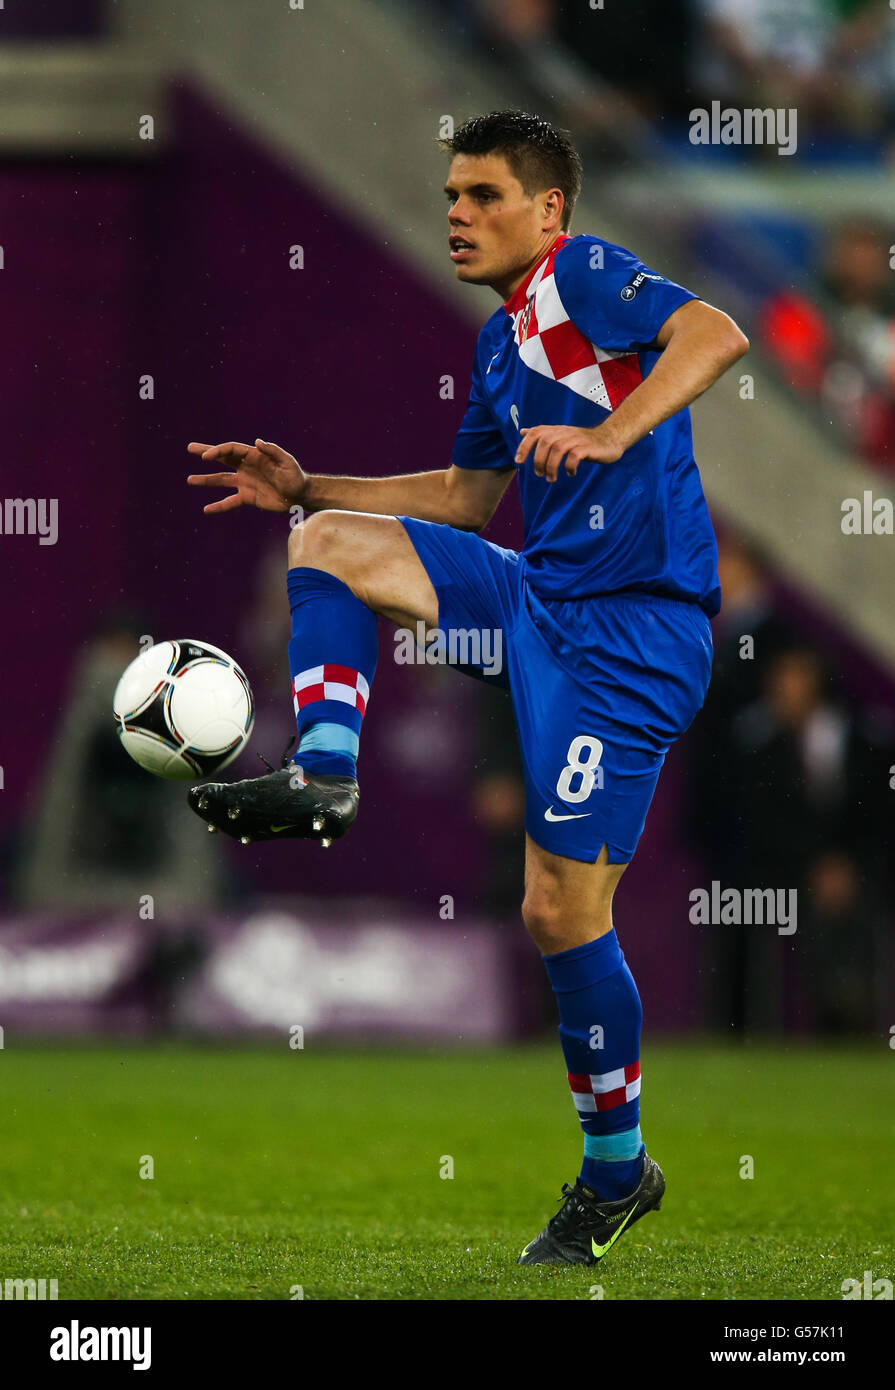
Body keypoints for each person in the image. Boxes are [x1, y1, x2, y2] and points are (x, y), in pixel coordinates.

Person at [185, 110, 748, 1267]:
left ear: (547, 211)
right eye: (449, 194)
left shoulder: (584, 274)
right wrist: (305, 482)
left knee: (557, 912)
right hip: (541, 597)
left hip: (638, 629)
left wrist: (610, 435)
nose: (456, 212)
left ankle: (613, 1172)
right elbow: (460, 500)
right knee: (330, 538)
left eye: (483, 193)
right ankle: (326, 769)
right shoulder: (500, 347)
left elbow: (718, 333)